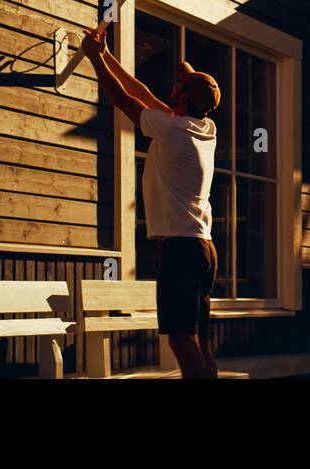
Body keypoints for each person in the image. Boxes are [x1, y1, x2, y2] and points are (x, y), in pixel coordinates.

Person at [79, 27, 221, 379]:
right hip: (203, 248)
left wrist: (94, 57)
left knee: (180, 341)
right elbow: (142, 93)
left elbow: (123, 100)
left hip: (182, 251)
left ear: (184, 98)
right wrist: (106, 53)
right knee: (200, 338)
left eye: (179, 85)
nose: (172, 86)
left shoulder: (171, 130)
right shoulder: (204, 129)